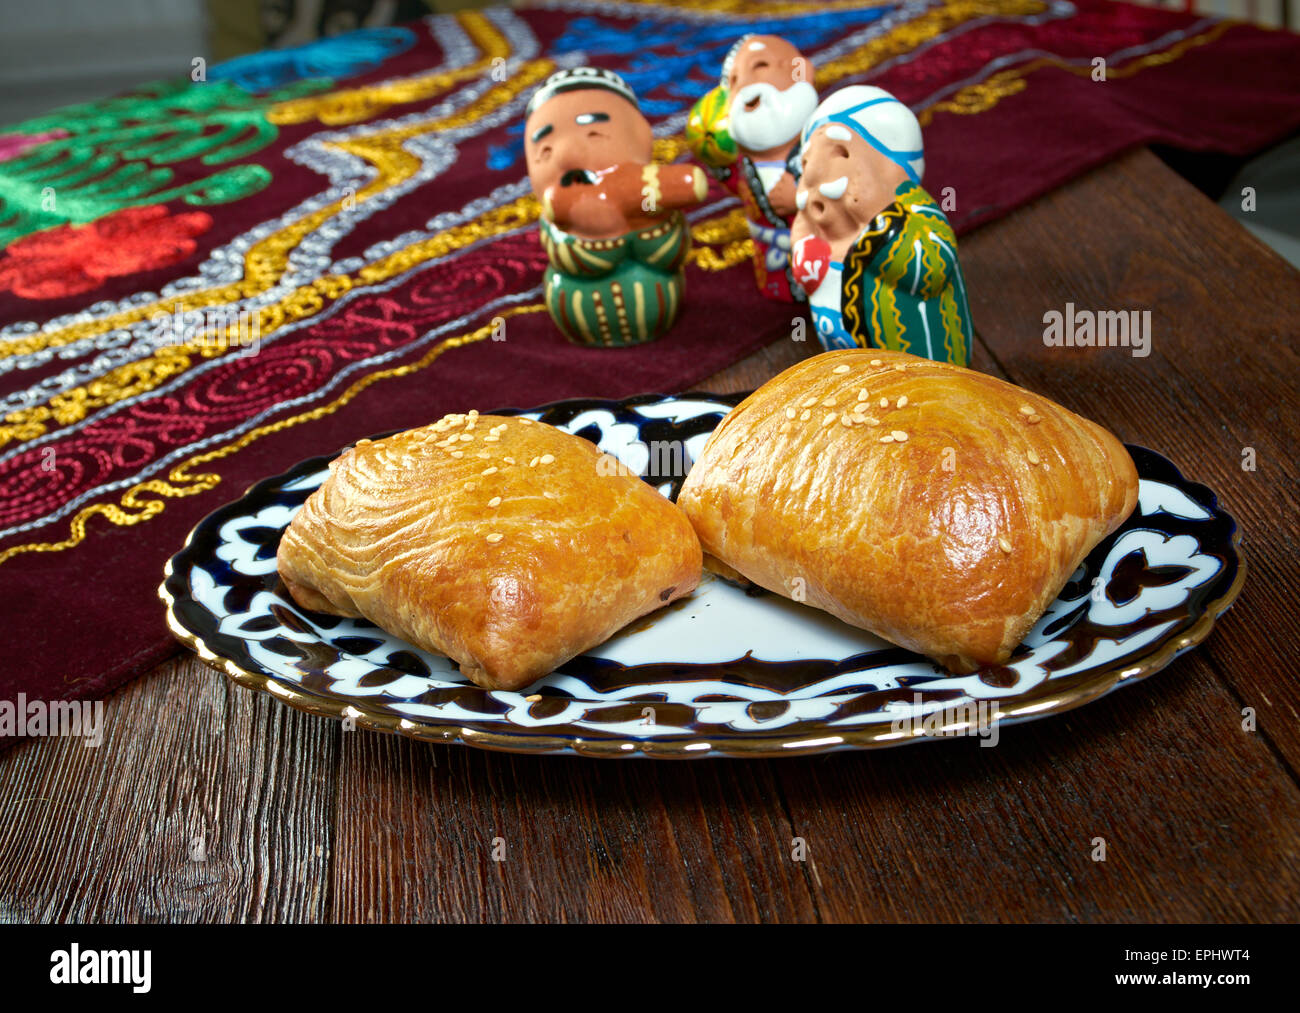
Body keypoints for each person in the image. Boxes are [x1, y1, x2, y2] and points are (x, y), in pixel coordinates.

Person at [790, 85, 973, 366]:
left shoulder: (913, 209)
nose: (812, 174)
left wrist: (879, 213)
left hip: (924, 366)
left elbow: (933, 268)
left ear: (890, 167)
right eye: (806, 162)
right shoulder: (813, 225)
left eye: (840, 152)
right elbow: (806, 271)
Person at [525, 67, 708, 346]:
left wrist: (645, 221)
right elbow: (564, 256)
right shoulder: (554, 221)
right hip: (578, 309)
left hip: (656, 301)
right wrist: (592, 228)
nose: (567, 155)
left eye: (594, 133)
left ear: (642, 138)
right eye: (544, 151)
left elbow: (671, 252)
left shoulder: (653, 200)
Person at [687, 35, 818, 302]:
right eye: (734, 81)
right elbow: (736, 185)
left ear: (800, 71)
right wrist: (715, 160)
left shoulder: (820, 145)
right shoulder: (743, 163)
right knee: (776, 287)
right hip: (768, 251)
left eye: (760, 66)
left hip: (818, 249)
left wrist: (801, 197)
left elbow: (845, 187)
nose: (746, 83)